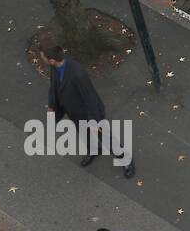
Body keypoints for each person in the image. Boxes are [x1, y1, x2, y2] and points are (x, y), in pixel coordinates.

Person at [43, 43, 133, 179]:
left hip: (90, 113)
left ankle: (125, 160)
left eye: (43, 57)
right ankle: (94, 150)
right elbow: (54, 86)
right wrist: (51, 105)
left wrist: (94, 121)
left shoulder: (77, 74)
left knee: (106, 138)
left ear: (51, 60)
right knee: (84, 134)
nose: (42, 59)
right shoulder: (55, 67)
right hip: (74, 112)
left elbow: (90, 97)